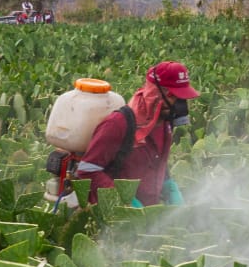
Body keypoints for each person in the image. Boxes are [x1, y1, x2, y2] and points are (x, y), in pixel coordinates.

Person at [75, 61, 199, 206]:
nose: (179, 105)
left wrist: (167, 183)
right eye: (174, 97)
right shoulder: (118, 124)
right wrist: (122, 200)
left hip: (147, 215)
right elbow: (87, 170)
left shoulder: (166, 124)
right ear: (156, 94)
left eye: (182, 98)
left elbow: (155, 160)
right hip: (113, 216)